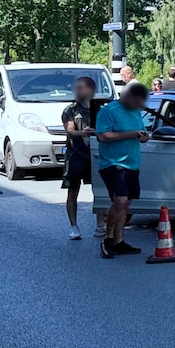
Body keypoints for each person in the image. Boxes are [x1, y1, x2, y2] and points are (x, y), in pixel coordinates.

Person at [95, 83, 150, 259]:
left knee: (126, 203)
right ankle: (107, 238)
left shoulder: (136, 111)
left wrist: (143, 136)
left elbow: (143, 134)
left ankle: (119, 240)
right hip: (113, 163)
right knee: (120, 200)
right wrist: (130, 134)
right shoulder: (109, 111)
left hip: (132, 163)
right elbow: (101, 136)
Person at [62, 77, 106, 240]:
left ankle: (100, 224)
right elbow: (69, 131)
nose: (77, 91)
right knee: (73, 190)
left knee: (99, 190)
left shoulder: (101, 109)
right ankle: (73, 226)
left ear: (91, 90)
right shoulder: (70, 110)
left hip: (96, 154)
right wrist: (83, 132)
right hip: (75, 155)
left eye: (80, 88)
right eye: (76, 88)